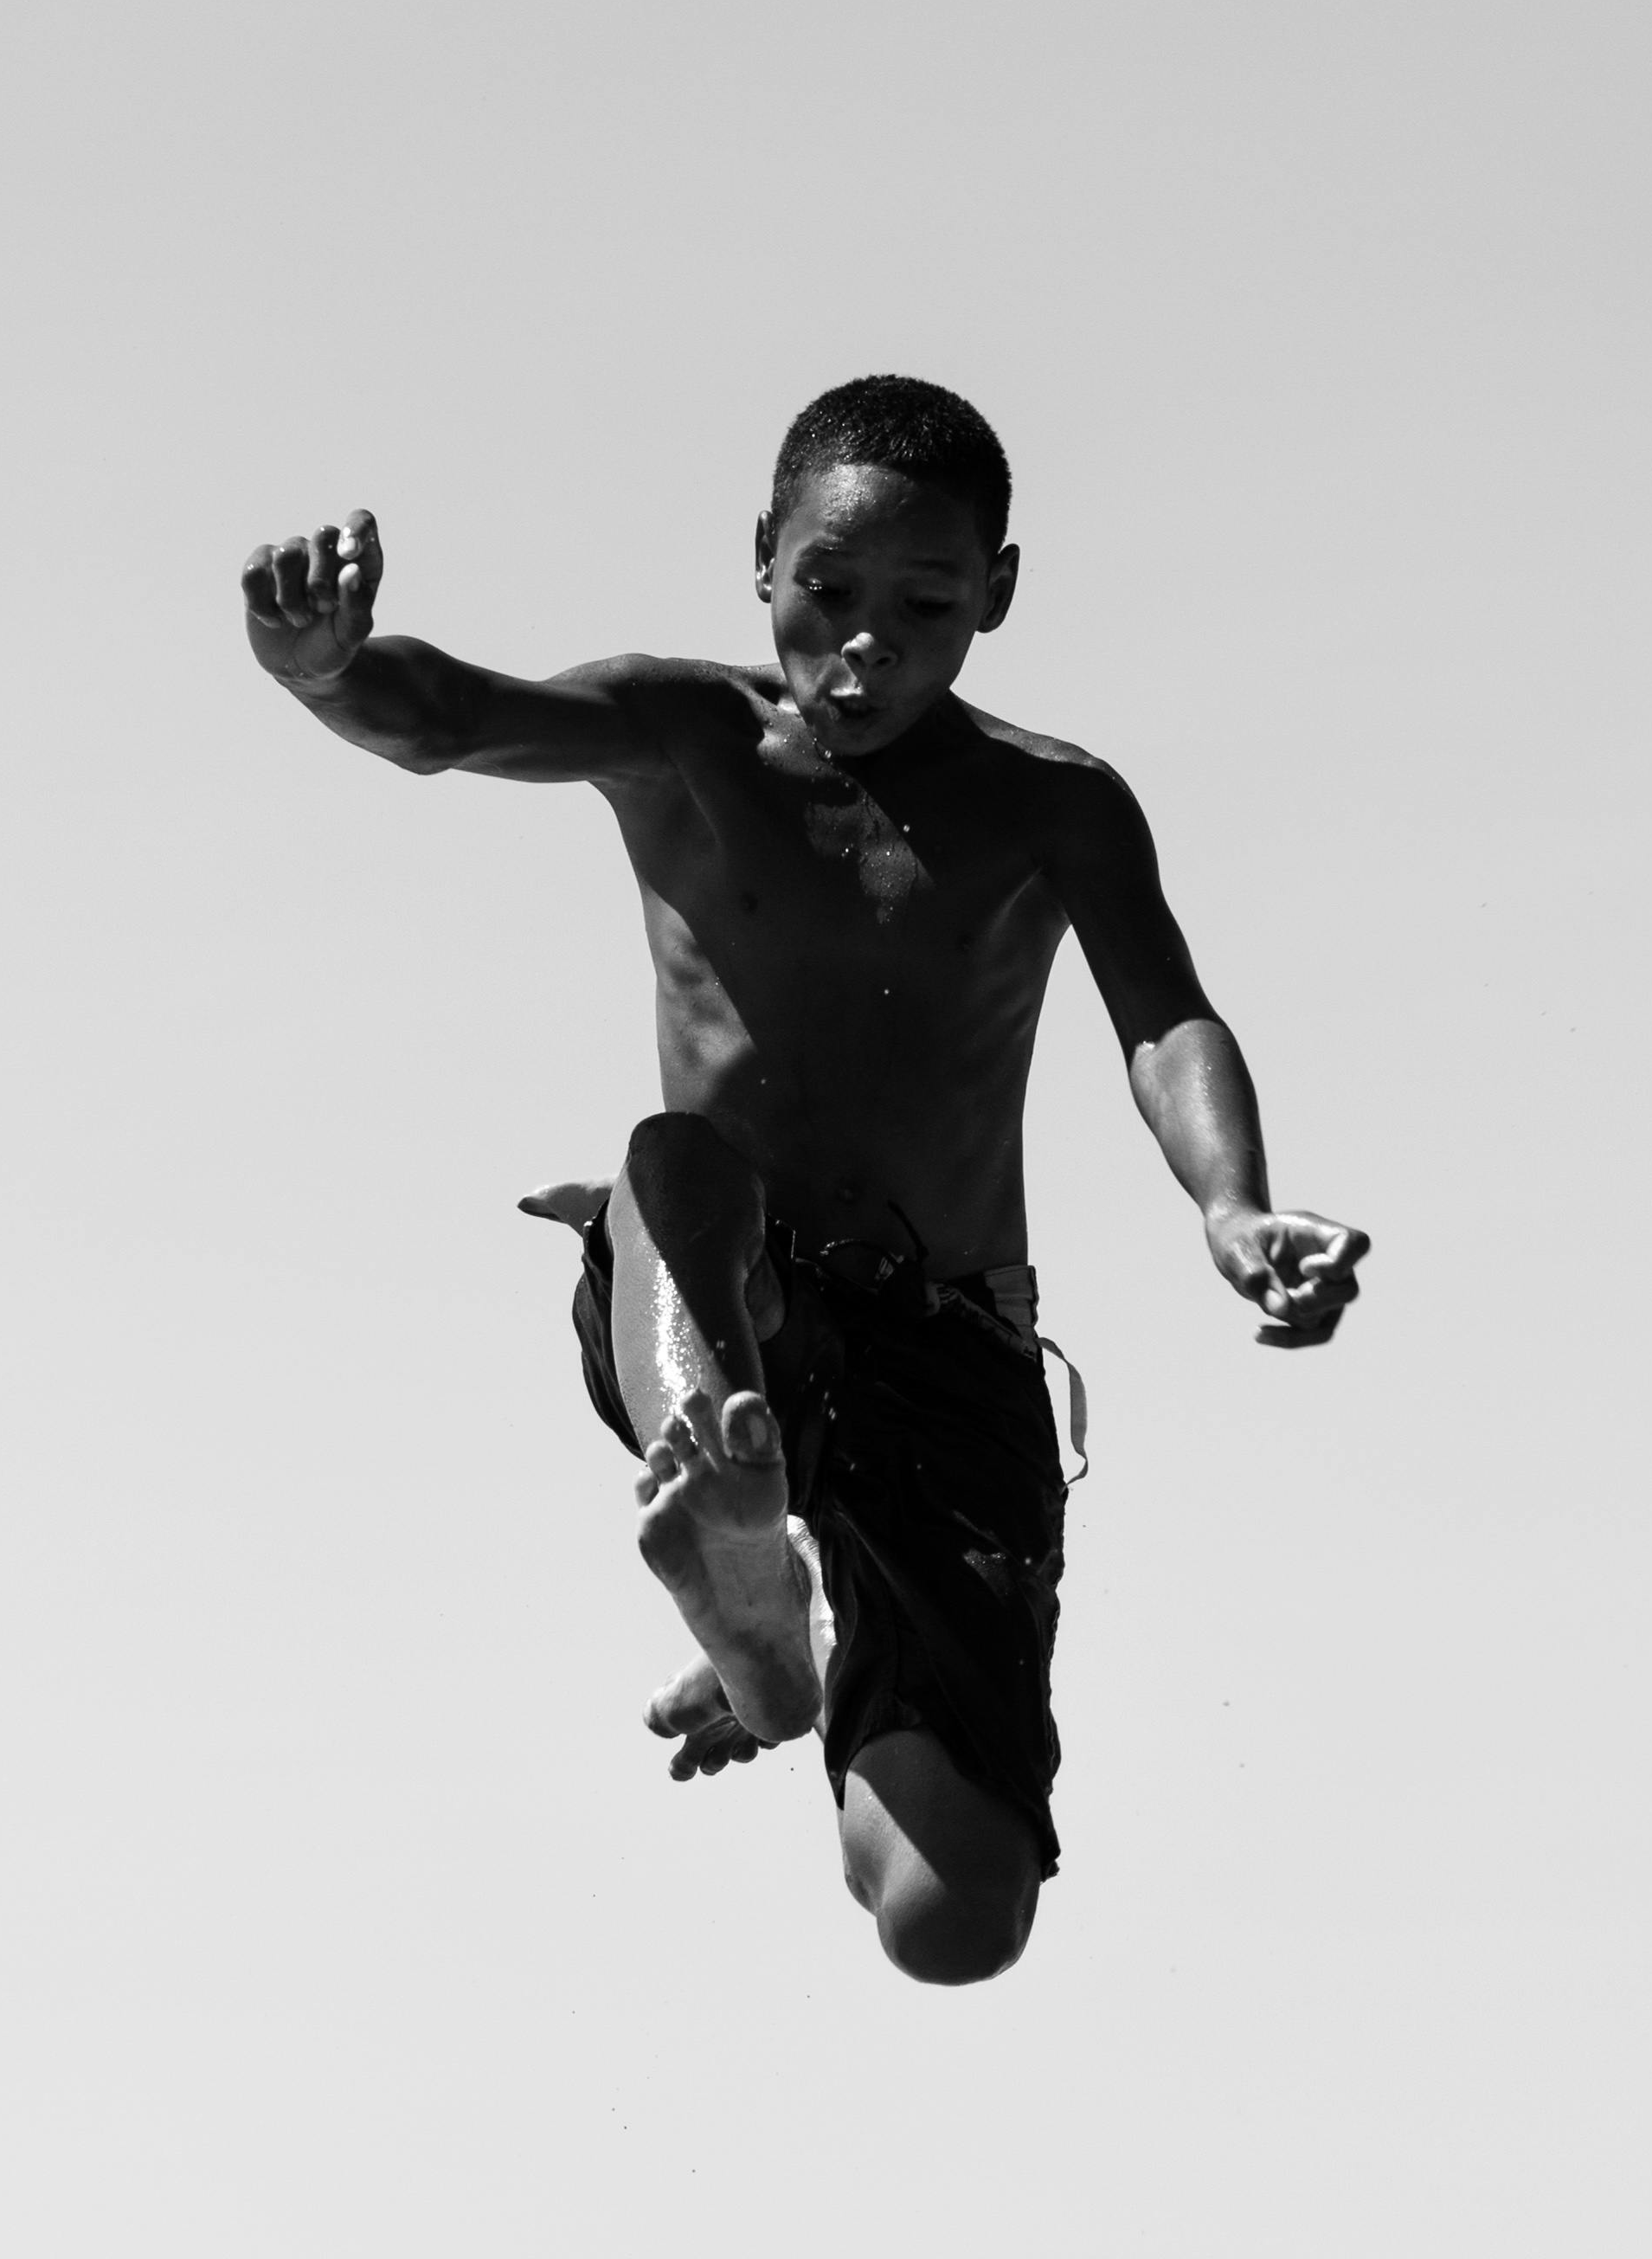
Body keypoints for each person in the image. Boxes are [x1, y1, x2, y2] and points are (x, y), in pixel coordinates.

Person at [240, 374, 1365, 1986]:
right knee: (678, 1162)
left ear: (998, 592)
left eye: (921, 606)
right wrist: (328, 672)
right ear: (759, 557)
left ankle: (786, 1660)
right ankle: (746, 1536)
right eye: (825, 594)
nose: (863, 645)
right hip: (723, 1299)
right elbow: (448, 715)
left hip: (952, 1349)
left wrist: (1232, 1204)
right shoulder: (682, 734)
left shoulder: (1054, 804)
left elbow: (1163, 1010)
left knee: (950, 1921)